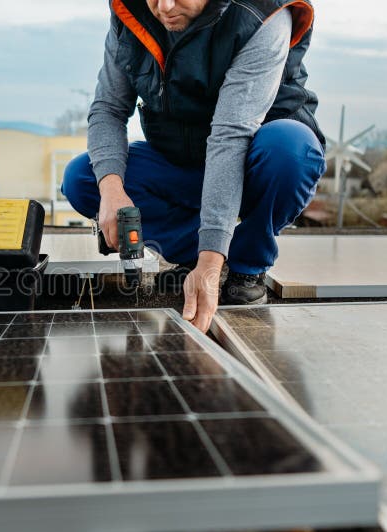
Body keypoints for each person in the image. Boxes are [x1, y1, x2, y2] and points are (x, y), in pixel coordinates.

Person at [61, 0, 327, 333]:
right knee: (84, 178)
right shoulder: (129, 13)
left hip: (254, 161)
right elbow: (108, 110)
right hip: (184, 164)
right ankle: (190, 256)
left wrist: (212, 261)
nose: (165, 7)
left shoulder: (264, 14)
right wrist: (112, 190)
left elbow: (232, 132)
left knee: (292, 151)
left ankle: (246, 264)